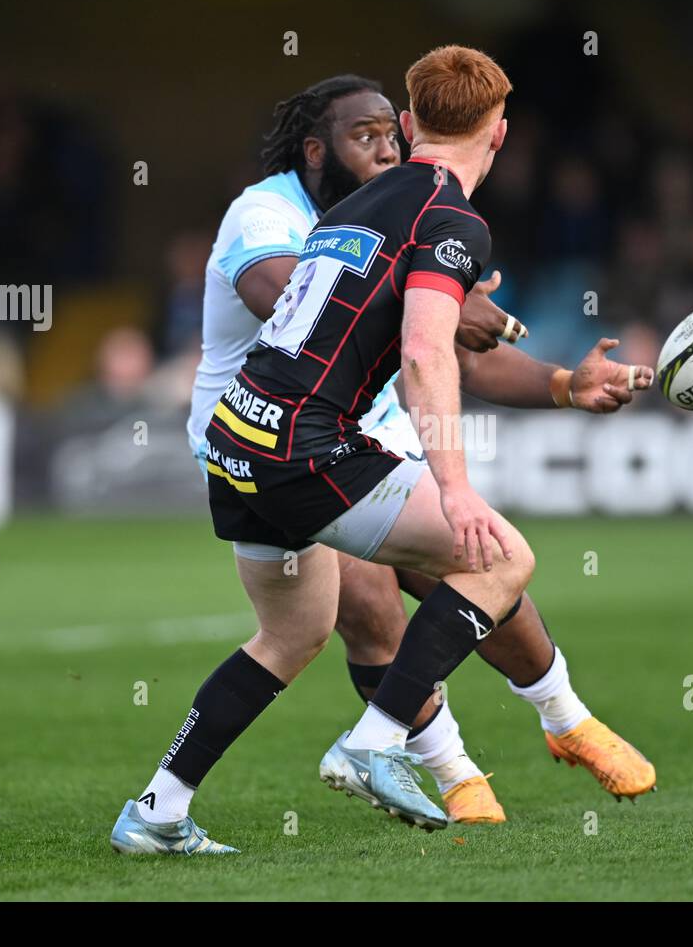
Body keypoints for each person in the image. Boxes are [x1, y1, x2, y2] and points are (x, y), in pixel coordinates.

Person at [112, 54, 655, 854]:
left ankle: (156, 811)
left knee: (290, 635)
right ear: (500, 134)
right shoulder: (451, 222)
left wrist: (566, 382)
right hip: (306, 447)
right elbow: (428, 356)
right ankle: (376, 741)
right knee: (500, 557)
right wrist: (457, 486)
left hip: (238, 440)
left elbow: (412, 335)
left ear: (409, 126)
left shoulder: (351, 209)